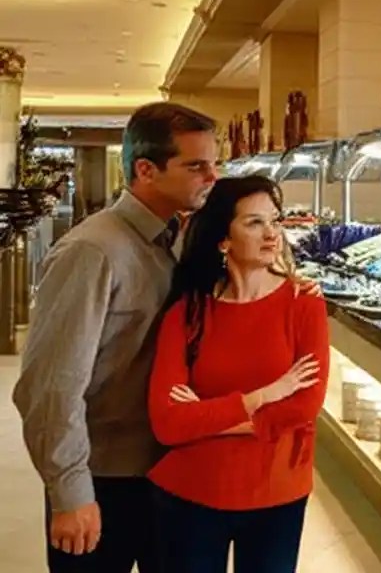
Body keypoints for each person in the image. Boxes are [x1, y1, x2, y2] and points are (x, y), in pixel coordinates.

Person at [13, 102, 219, 572]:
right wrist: (70, 494)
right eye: (196, 166)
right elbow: (50, 386)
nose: (212, 176)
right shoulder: (93, 251)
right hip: (105, 478)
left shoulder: (177, 238)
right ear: (146, 169)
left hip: (164, 471)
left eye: (214, 163)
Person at [147, 175, 328, 572]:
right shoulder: (187, 313)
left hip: (276, 493)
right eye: (254, 223)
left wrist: (209, 417)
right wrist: (260, 397)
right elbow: (167, 422)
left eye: (275, 221)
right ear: (223, 240)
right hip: (192, 491)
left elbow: (303, 409)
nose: (272, 234)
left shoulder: (304, 305)